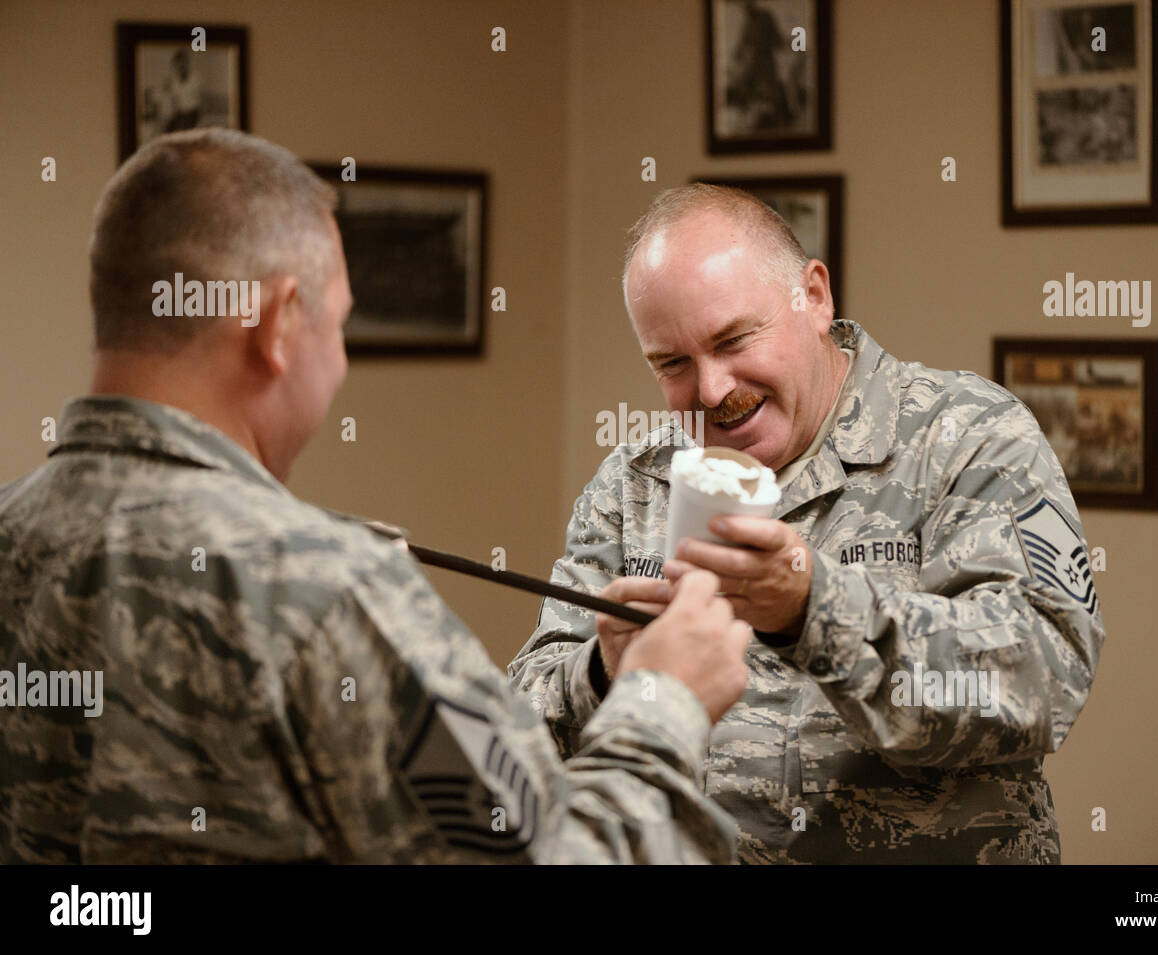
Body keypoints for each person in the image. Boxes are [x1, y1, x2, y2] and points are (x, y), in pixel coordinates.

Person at [0, 131, 752, 865]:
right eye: (340, 323)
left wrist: (597, 677)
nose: (340, 361)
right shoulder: (332, 592)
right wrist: (664, 700)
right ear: (280, 325)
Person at [509, 184, 1107, 864]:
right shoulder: (633, 483)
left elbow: (1043, 681)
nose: (711, 391)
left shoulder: (968, 436)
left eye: (734, 338)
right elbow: (513, 738)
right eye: (672, 363)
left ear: (814, 297)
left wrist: (814, 609)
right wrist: (601, 673)